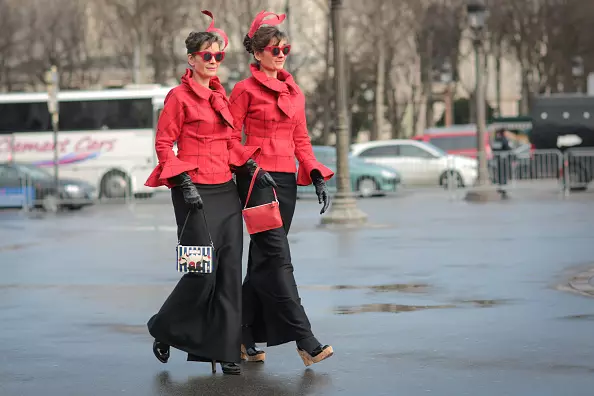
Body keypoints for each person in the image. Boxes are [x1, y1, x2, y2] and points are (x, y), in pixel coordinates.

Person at [143, 10, 275, 376]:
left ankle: (227, 349)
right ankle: (164, 326)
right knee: (201, 272)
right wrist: (182, 182)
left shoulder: (223, 97)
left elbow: (232, 143)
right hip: (192, 195)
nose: (214, 62)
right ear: (192, 59)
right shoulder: (178, 97)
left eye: (219, 56)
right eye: (208, 56)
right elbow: (164, 142)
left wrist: (251, 168)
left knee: (230, 273)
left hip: (225, 193)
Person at [228, 10, 335, 367]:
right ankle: (305, 340)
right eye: (273, 48)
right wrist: (251, 164)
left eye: (284, 48)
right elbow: (230, 137)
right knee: (278, 258)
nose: (280, 53)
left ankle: (241, 335)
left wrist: (315, 173)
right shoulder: (243, 90)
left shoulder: (295, 92)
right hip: (256, 179)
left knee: (262, 262)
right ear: (257, 53)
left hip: (286, 180)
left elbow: (301, 139)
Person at [491, 128, 512, 197]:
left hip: (498, 159)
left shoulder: (496, 140)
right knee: (503, 173)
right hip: (503, 158)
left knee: (500, 173)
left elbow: (493, 148)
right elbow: (507, 147)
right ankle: (503, 188)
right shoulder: (503, 139)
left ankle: (501, 187)